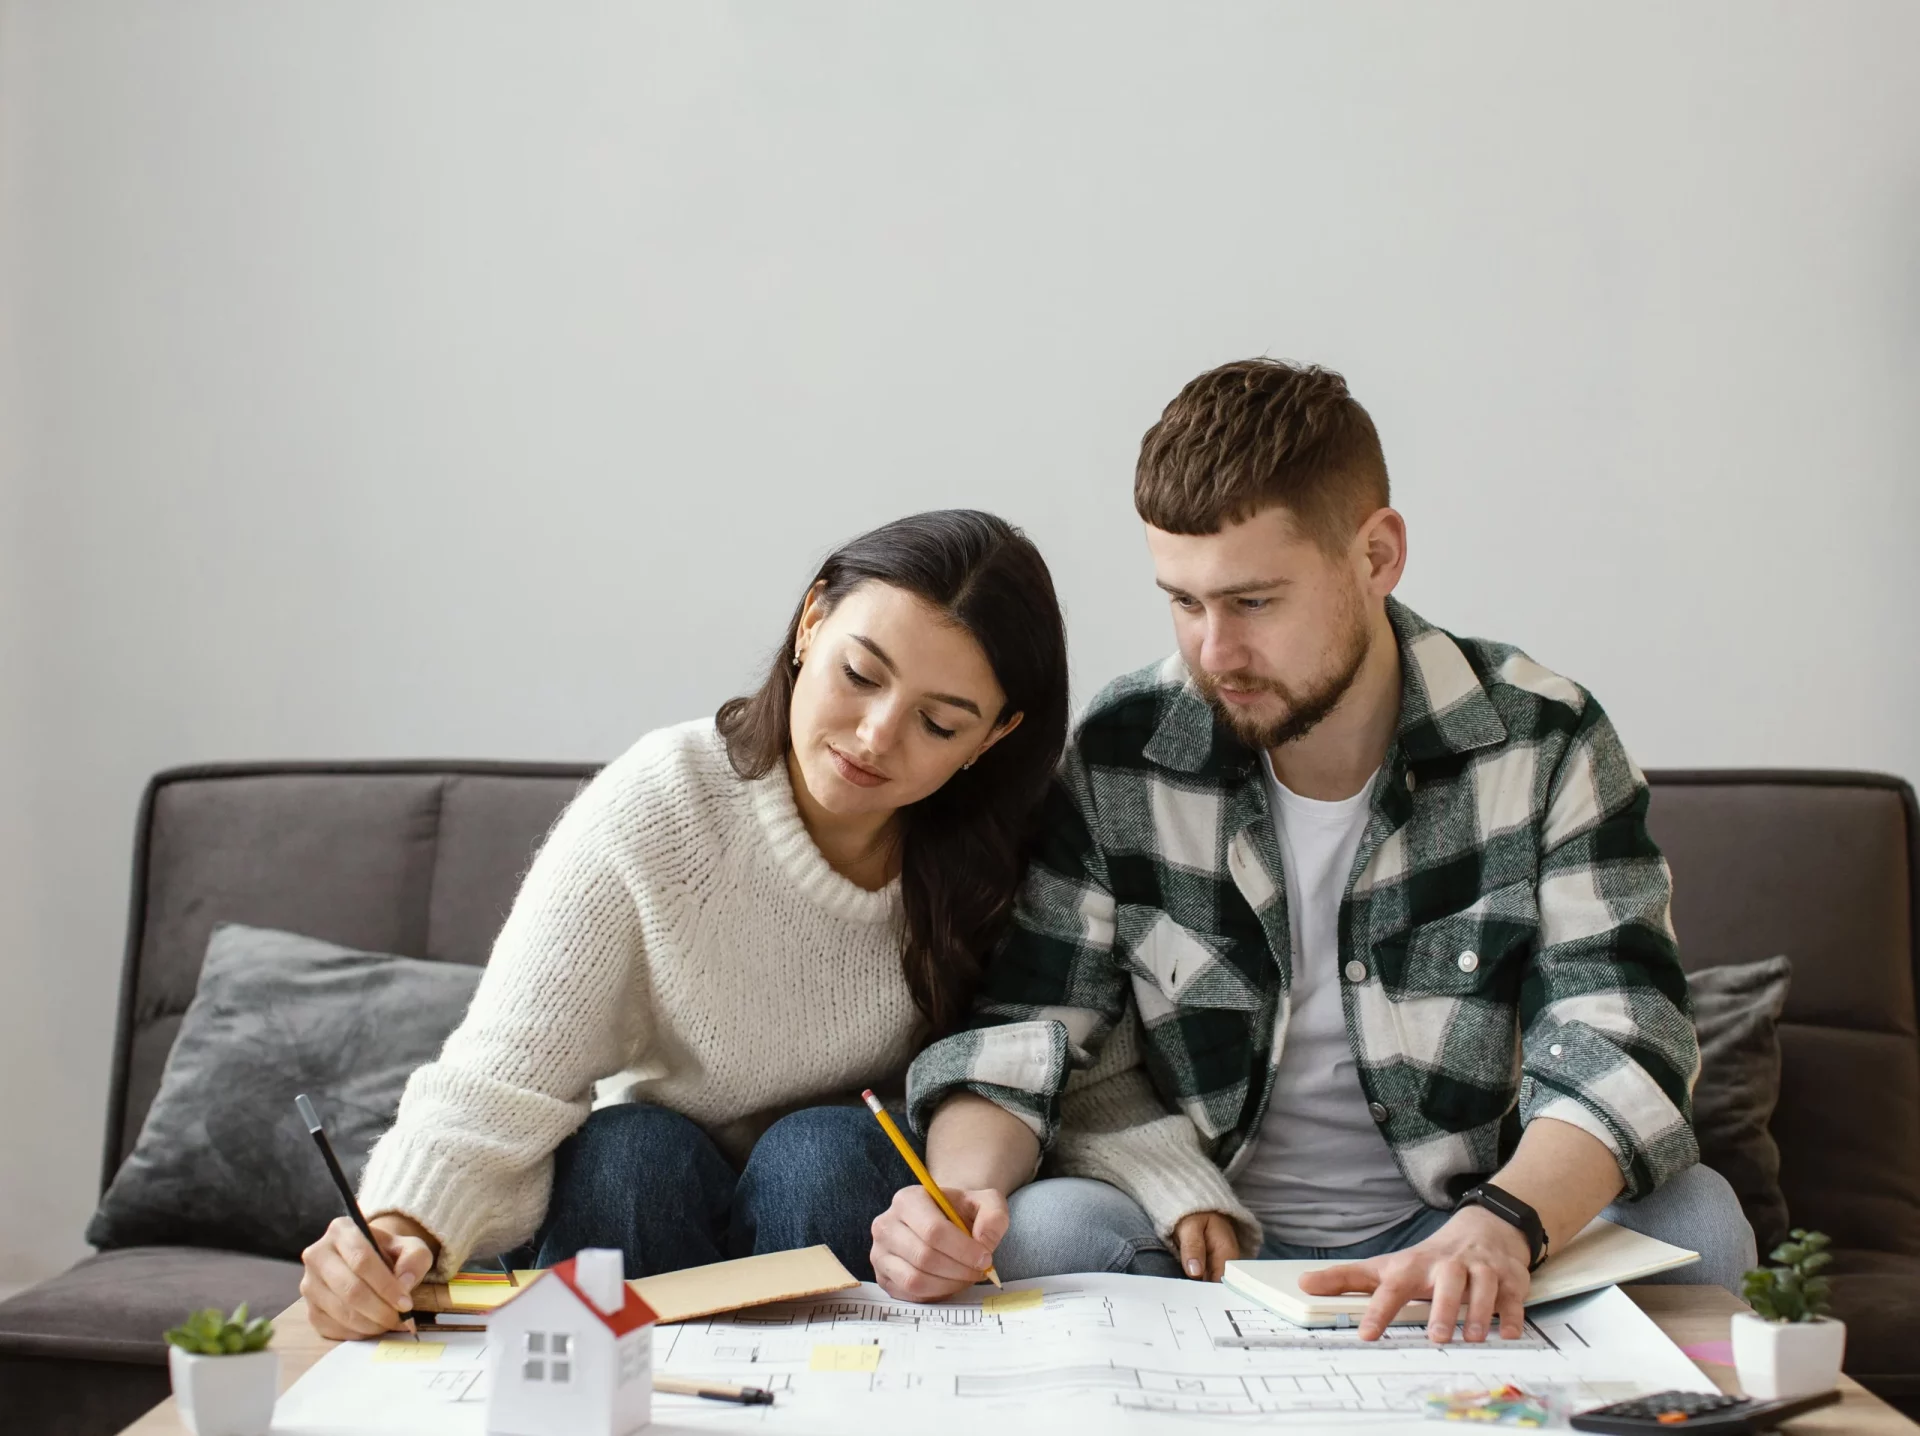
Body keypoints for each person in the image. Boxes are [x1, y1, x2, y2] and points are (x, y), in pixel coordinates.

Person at [874, 360, 1755, 1345]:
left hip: (1463, 1215)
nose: (1213, 651)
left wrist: (1503, 1221)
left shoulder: (1543, 738)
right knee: (1041, 1229)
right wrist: (954, 1202)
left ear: (1377, 555)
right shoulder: (1127, 746)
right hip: (1208, 1233)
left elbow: (1623, 1030)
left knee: (1700, 1221)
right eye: (1184, 601)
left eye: (1252, 602)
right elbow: (1030, 1023)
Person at [298, 509, 1070, 1341]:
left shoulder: (1012, 854)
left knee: (817, 1152)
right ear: (812, 622)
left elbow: (1064, 1054)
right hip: (651, 1186)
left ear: (994, 736)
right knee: (626, 1150)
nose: (875, 736)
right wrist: (402, 1230)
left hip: (850, 1191)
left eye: (939, 723)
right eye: (860, 673)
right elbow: (503, 1072)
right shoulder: (663, 804)